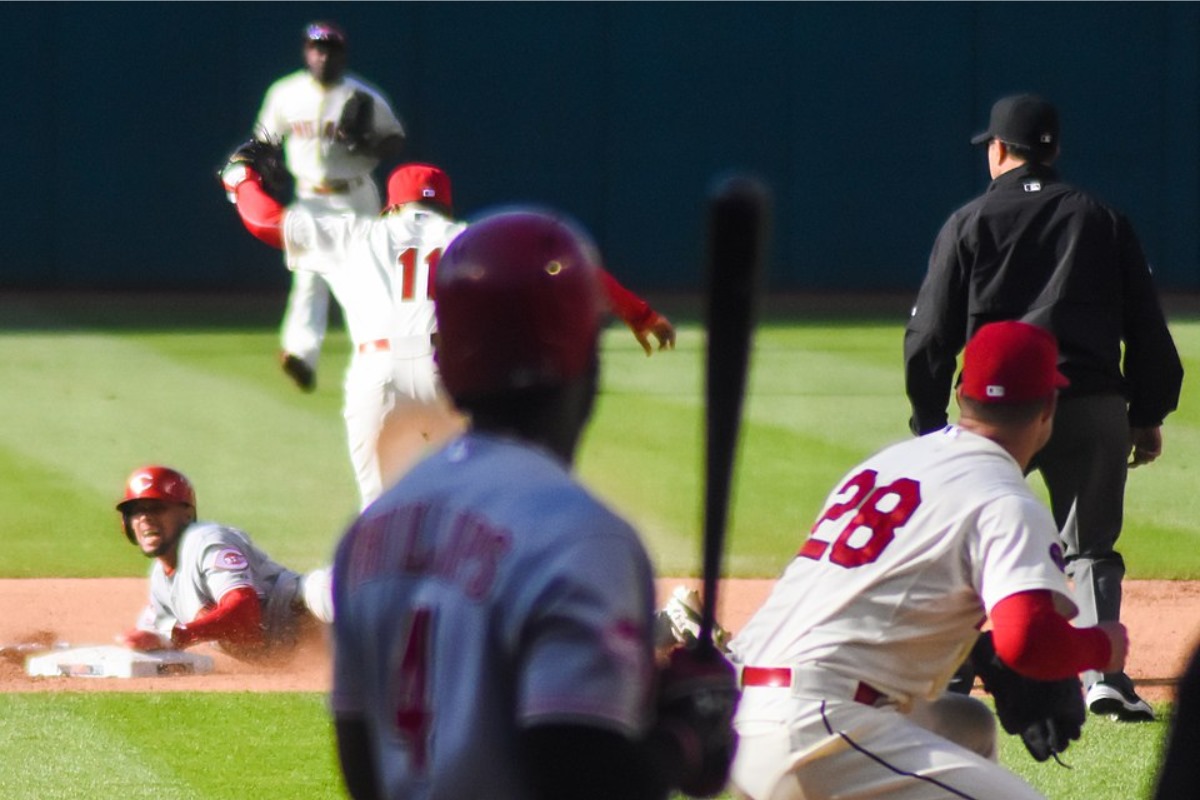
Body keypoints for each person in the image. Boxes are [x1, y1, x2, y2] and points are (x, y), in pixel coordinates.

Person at [329, 209, 737, 800]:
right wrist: (687, 736)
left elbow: (362, 766)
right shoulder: (581, 535)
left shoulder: (368, 533)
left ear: (443, 363)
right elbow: (580, 779)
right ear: (587, 362)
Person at [728, 321, 1129, 800]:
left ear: (962, 394)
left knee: (968, 725)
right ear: (1049, 407)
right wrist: (1100, 647)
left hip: (743, 711)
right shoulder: (1005, 499)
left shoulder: (887, 465)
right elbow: (1028, 641)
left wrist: (980, 648)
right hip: (818, 730)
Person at [905, 93, 1183, 721]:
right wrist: (1148, 412)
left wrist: (928, 423)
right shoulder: (1102, 217)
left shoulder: (969, 221)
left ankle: (952, 669)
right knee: (1089, 548)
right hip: (1091, 402)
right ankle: (1102, 677)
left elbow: (929, 337)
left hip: (995, 416)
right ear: (1053, 151)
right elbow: (1145, 323)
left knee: (966, 536)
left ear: (998, 150)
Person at [223, 160, 679, 508]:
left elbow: (264, 220)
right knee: (476, 512)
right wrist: (639, 314)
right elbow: (566, 265)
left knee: (380, 519)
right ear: (444, 204)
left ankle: (378, 623)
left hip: (377, 379)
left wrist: (240, 178)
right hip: (449, 377)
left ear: (393, 204)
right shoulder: (469, 236)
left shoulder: (356, 234)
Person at [253, 20, 407, 392]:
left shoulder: (362, 96)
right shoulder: (285, 93)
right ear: (307, 52)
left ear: (342, 55)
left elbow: (394, 139)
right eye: (316, 48)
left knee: (366, 279)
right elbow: (265, 139)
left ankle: (377, 356)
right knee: (308, 278)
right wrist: (266, 165)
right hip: (309, 198)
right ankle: (300, 355)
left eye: (331, 49)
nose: (323, 56)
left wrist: (368, 143)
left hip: (354, 197)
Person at [116, 465, 333, 661]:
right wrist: (152, 639)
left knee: (324, 589)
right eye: (136, 511)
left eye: (157, 508)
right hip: (298, 651)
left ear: (187, 515)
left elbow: (245, 615)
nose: (145, 518)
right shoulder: (160, 579)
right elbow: (154, 639)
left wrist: (180, 635)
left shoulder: (206, 542)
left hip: (305, 612)